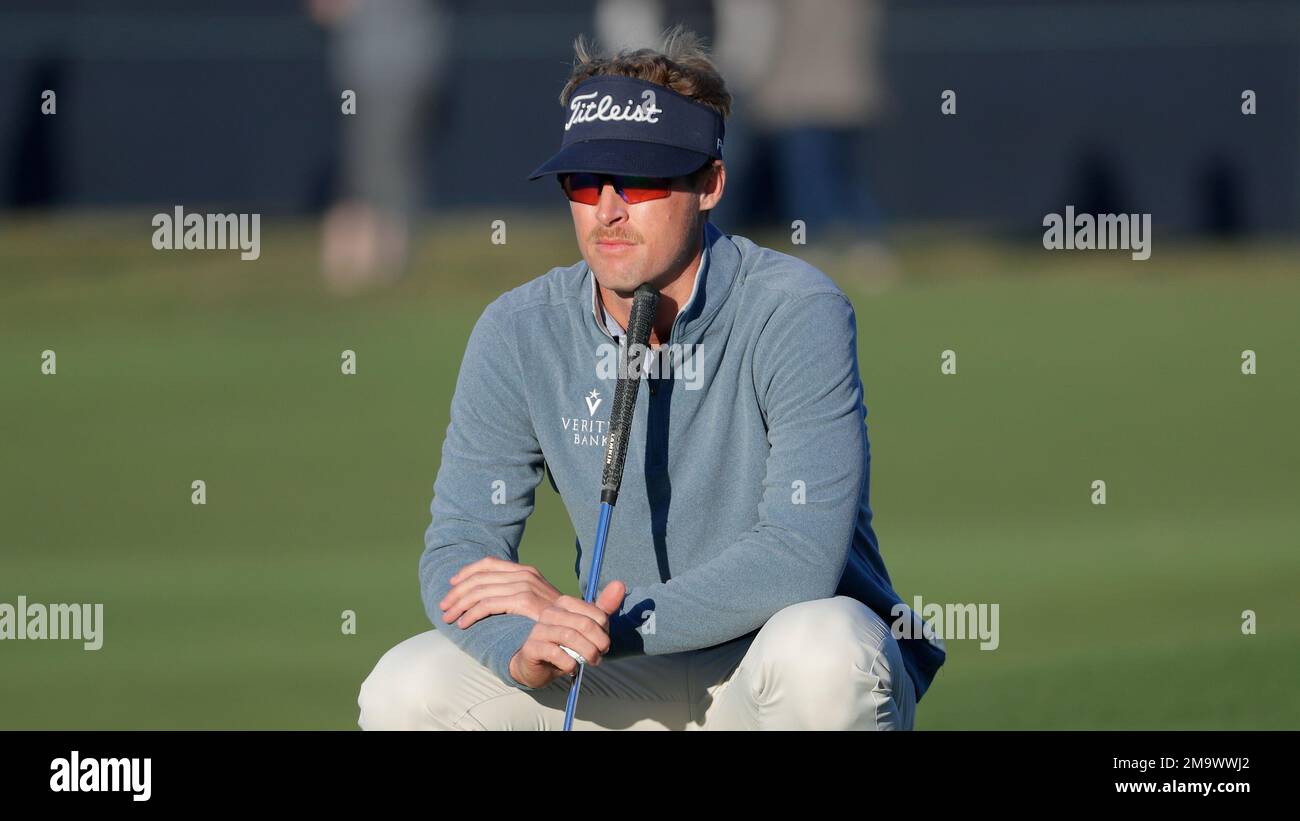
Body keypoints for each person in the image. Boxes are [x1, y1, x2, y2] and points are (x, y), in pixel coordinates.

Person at [357, 25, 945, 730]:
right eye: (583, 181)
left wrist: (597, 625)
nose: (607, 210)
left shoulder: (796, 309)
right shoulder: (517, 329)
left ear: (709, 184)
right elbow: (459, 546)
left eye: (637, 180)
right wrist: (522, 645)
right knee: (405, 685)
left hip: (762, 673)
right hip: (619, 676)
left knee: (826, 650)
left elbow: (798, 558)